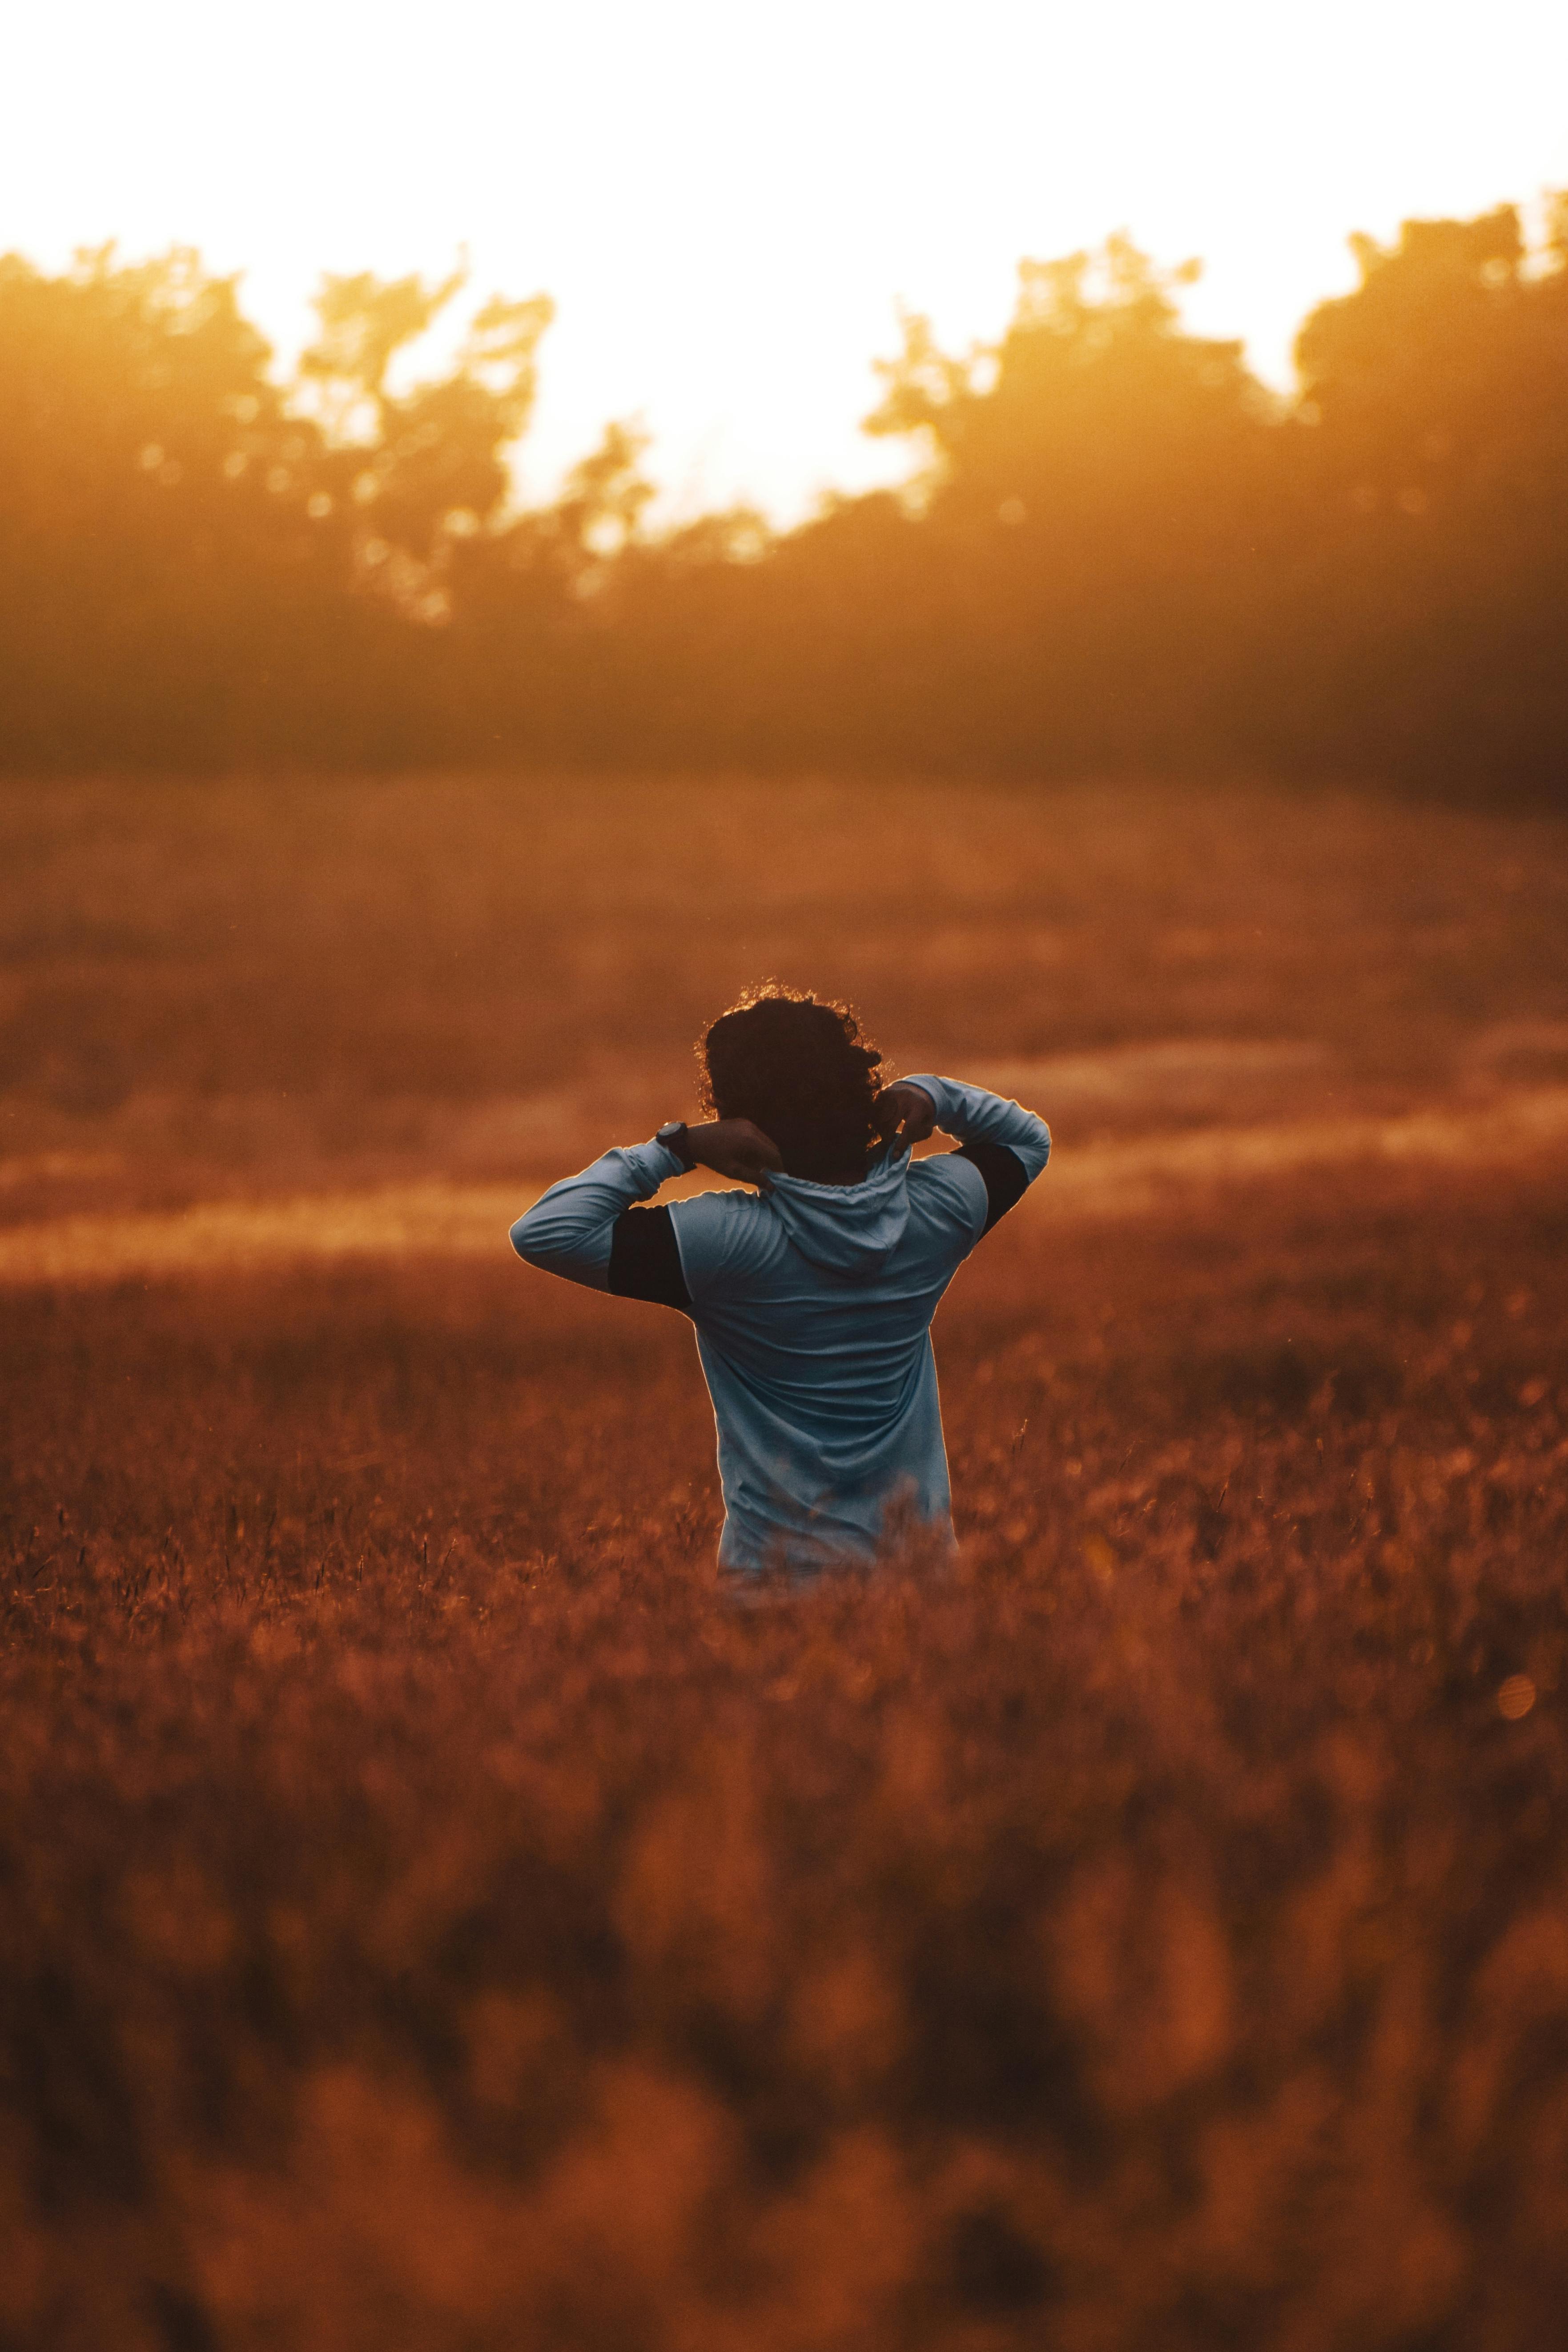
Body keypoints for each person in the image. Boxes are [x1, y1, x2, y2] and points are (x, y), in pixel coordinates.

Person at [508, 986, 1050, 1580]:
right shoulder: (936, 1210)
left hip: (770, 1590)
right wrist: (934, 1095)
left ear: (741, 1121)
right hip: (916, 1583)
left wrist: (678, 1147)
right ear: (863, 1088)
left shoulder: (723, 1241)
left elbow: (546, 1231)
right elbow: (1027, 1140)